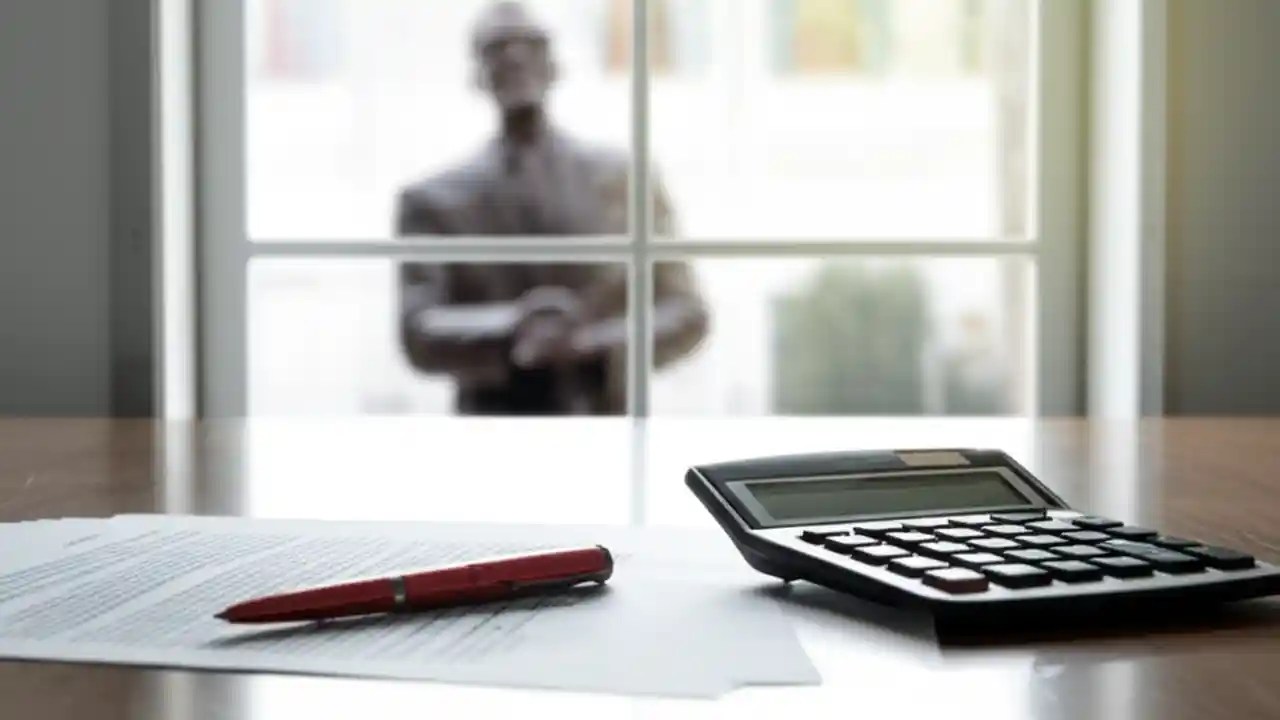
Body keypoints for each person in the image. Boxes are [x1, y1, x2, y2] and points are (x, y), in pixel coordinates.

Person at [396, 1, 707, 415]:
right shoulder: (433, 199)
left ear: (556, 64)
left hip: (608, 423)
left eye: (531, 44)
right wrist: (515, 326)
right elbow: (418, 330)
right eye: (496, 47)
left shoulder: (625, 179)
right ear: (477, 73)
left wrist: (592, 342)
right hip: (491, 428)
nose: (514, 57)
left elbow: (685, 310)